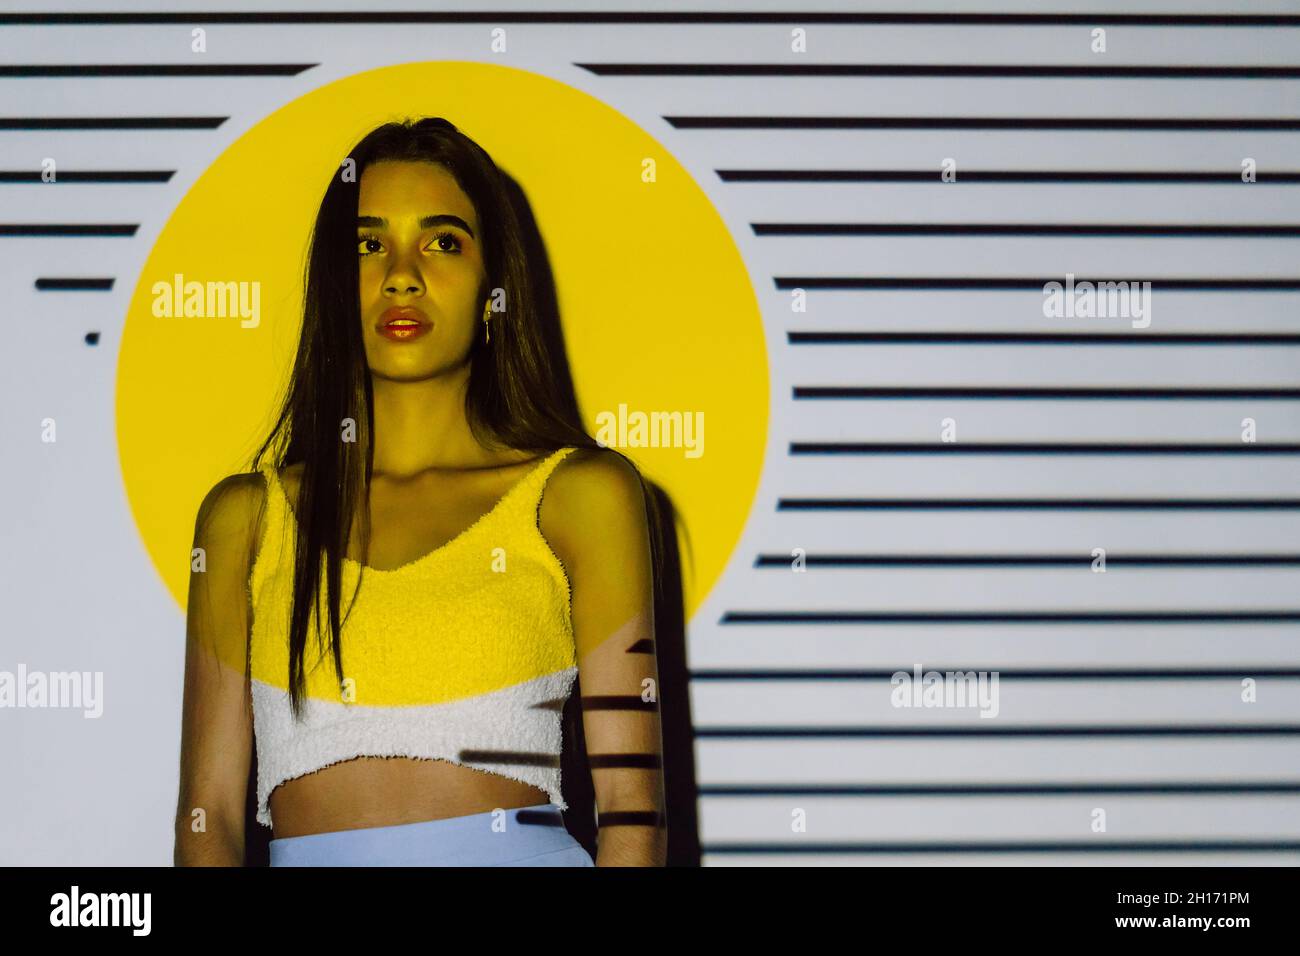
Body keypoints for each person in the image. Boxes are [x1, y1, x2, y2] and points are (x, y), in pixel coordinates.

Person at [173, 117, 667, 866]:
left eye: (442, 241)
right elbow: (209, 817)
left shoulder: (581, 496)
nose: (402, 274)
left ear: (495, 288)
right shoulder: (244, 520)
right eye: (368, 244)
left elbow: (632, 810)